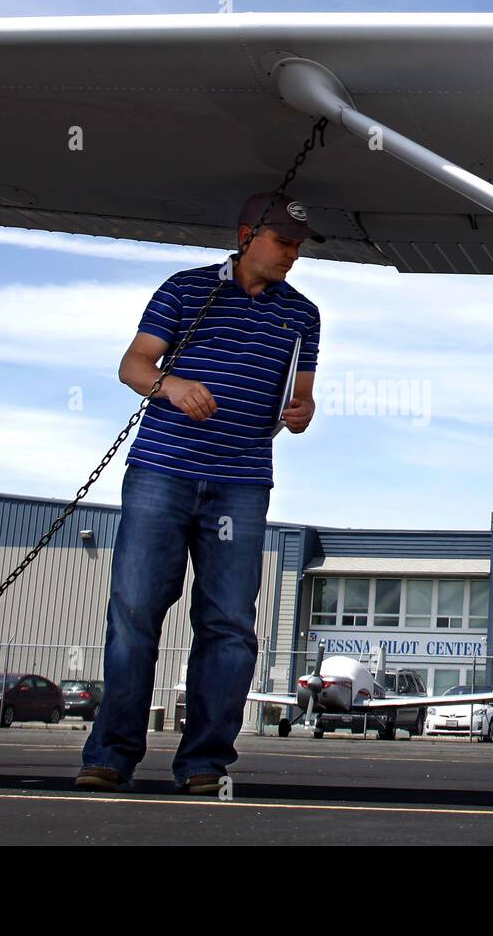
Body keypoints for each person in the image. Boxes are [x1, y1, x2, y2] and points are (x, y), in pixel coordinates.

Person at [76, 192, 321, 794]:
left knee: (230, 624)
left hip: (241, 483)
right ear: (246, 235)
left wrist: (303, 410)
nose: (292, 254)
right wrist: (171, 385)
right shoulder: (185, 288)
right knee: (135, 613)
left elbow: (305, 392)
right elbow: (133, 366)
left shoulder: (303, 315)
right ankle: (110, 755)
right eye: (282, 242)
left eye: (298, 246)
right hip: (162, 473)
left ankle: (205, 762)